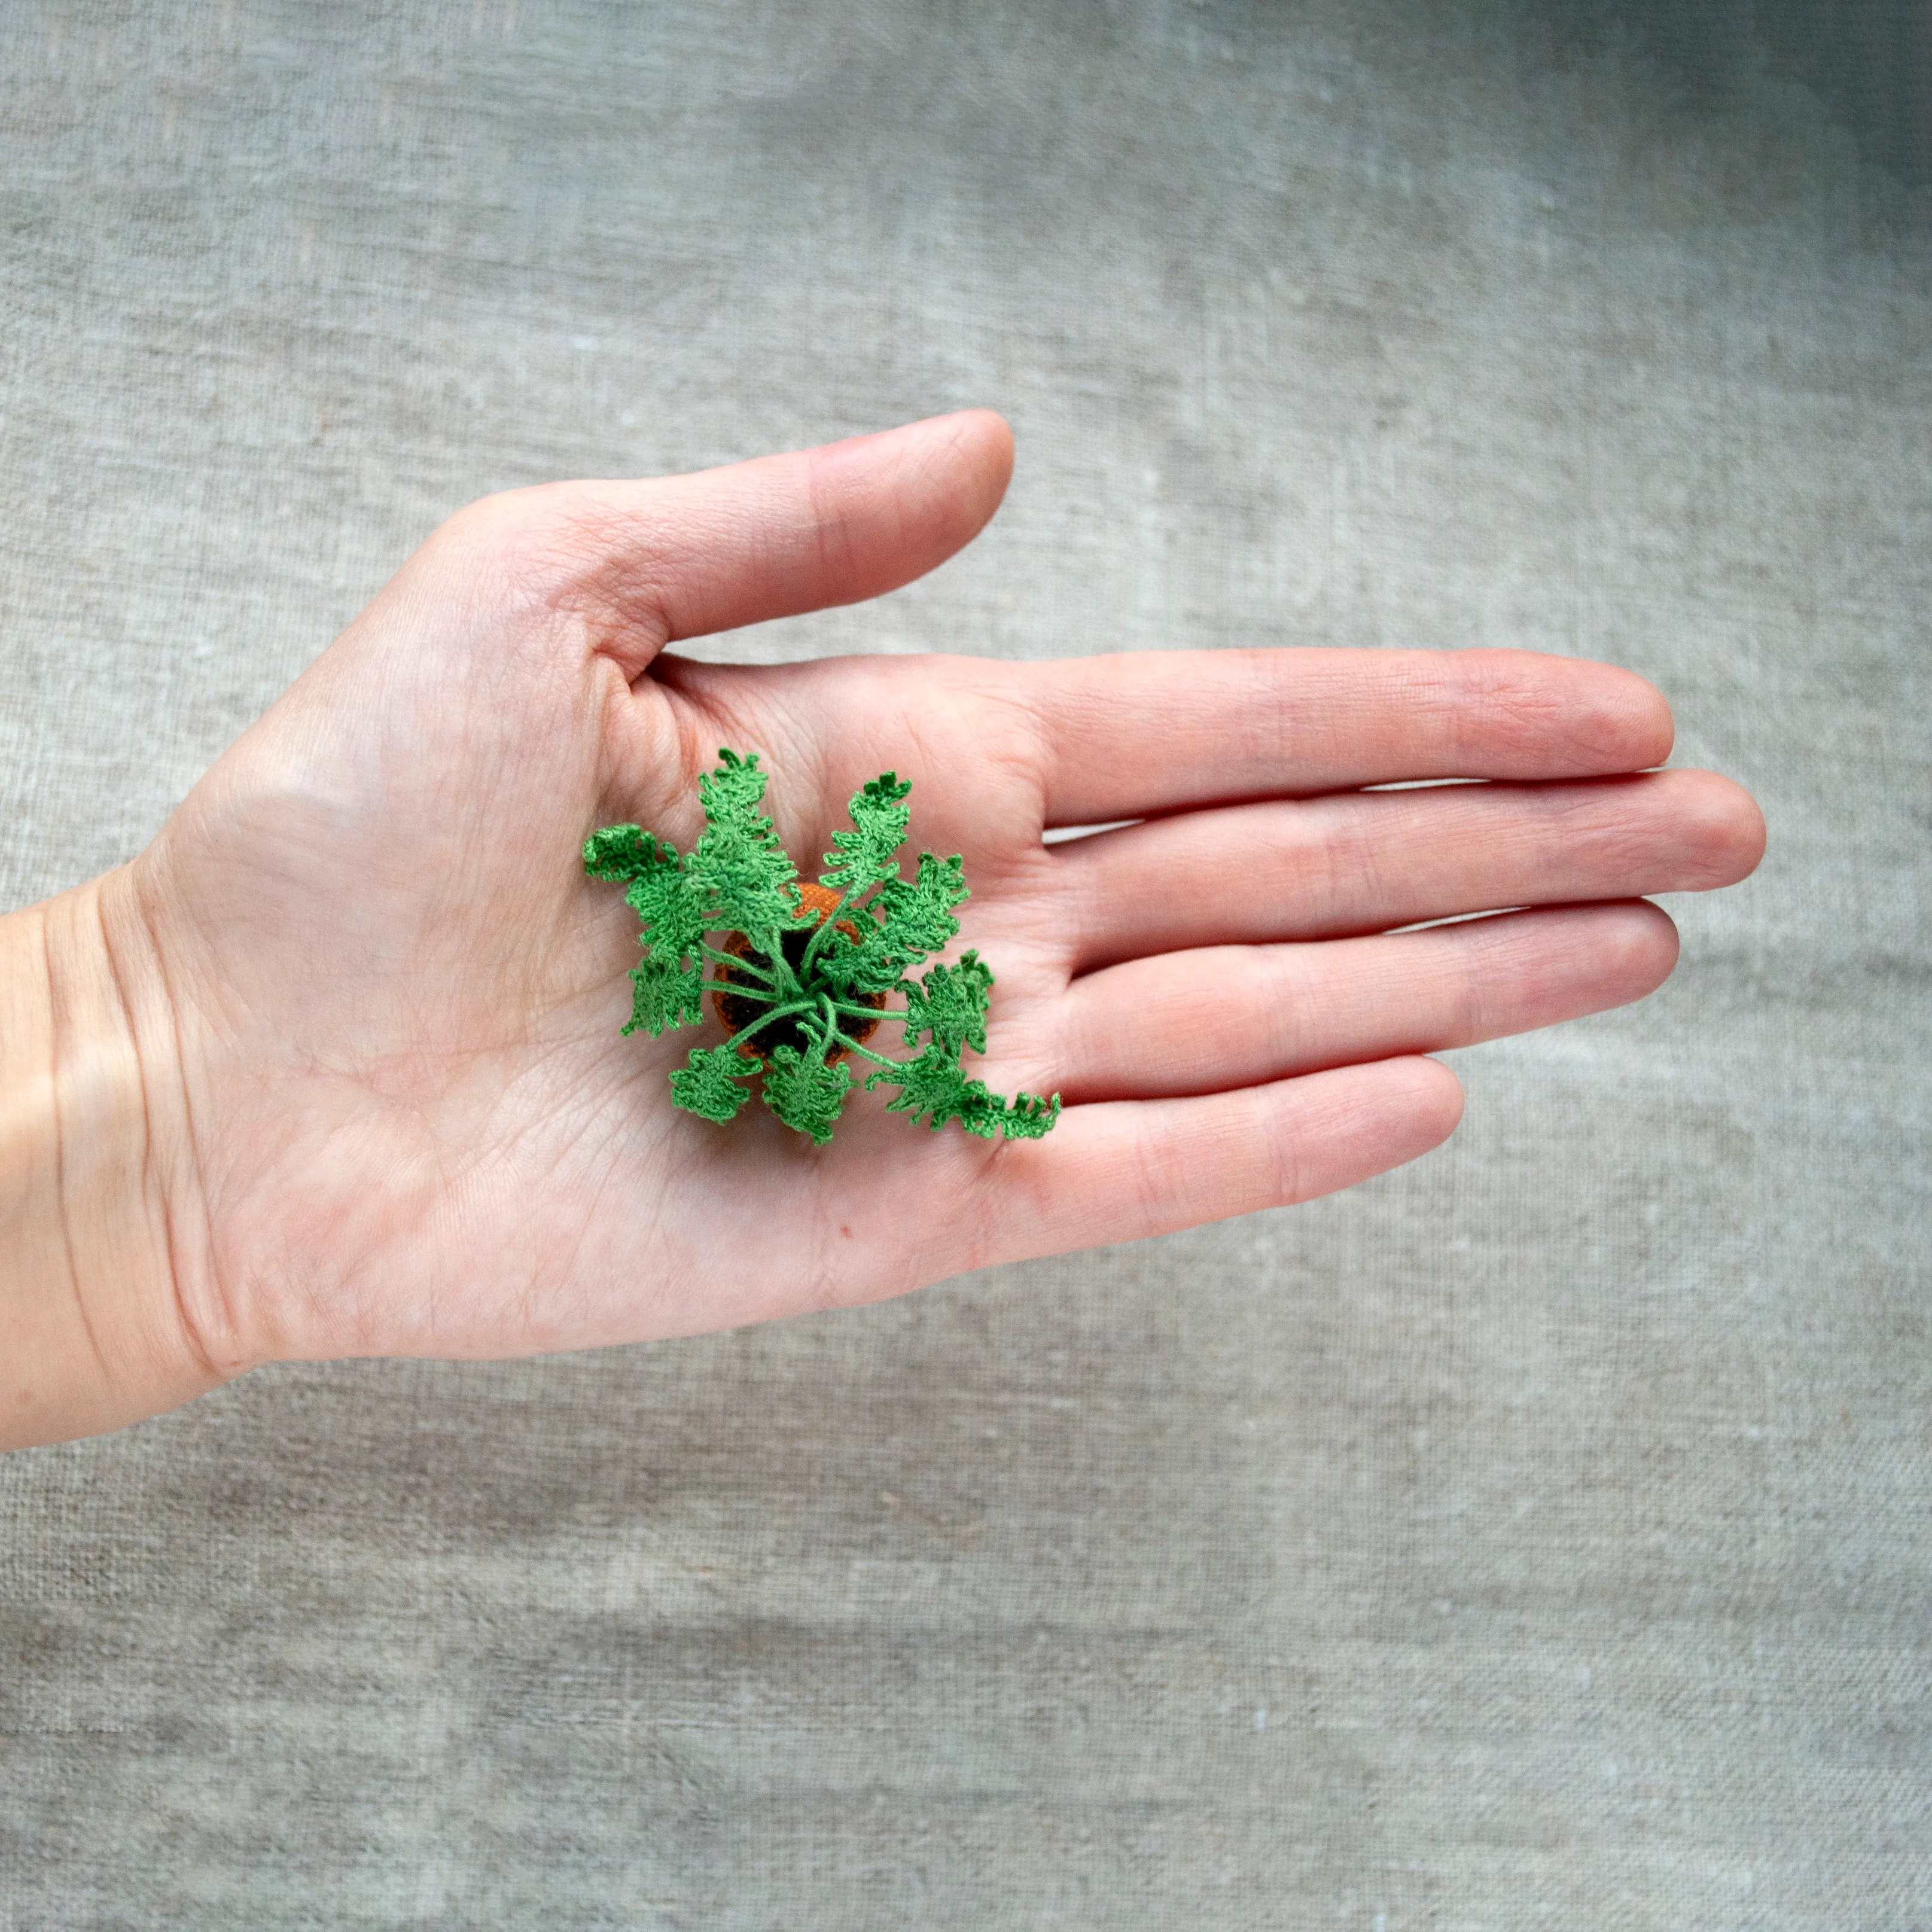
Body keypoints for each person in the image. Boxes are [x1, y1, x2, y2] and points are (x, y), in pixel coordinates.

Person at [0, 411, 1765, 1450]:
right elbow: (723, 931)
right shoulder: (737, 956)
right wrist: (169, 1094)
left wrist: (166, 1110)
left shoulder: (816, 987)